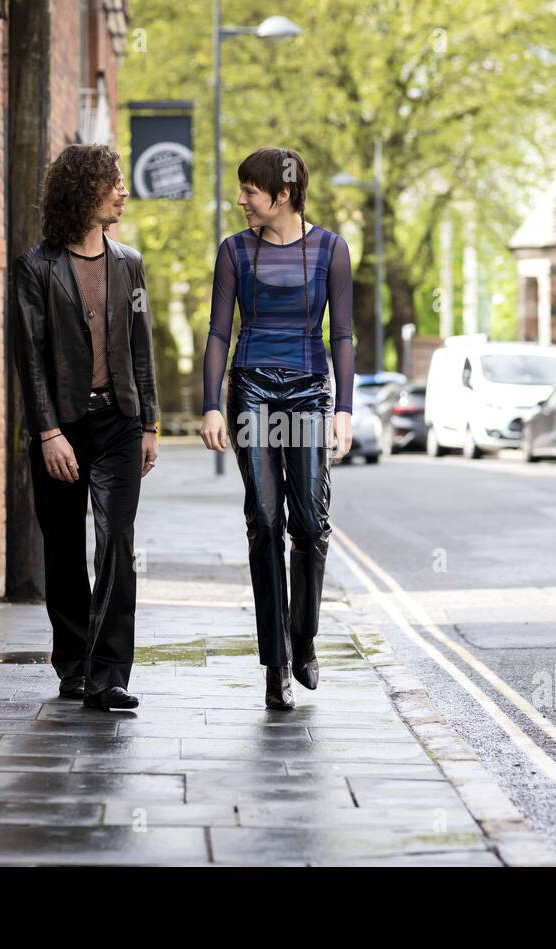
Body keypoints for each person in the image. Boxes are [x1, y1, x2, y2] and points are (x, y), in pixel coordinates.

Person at [199, 146, 355, 710]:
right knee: (264, 519)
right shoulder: (234, 252)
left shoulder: (332, 249)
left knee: (310, 523)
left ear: (282, 195)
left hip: (311, 393)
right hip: (252, 392)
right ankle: (276, 666)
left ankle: (304, 637)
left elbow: (342, 335)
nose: (240, 200)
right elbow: (220, 331)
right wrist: (211, 404)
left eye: (249, 191)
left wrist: (344, 410)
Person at [11, 143, 160, 711]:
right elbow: (30, 357)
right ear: (83, 191)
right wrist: (47, 433)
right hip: (64, 426)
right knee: (66, 549)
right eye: (113, 181)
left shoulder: (130, 263)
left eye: (123, 181)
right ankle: (73, 663)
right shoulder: (36, 267)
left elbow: (141, 350)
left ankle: (110, 674)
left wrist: (149, 421)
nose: (123, 190)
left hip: (119, 420)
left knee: (116, 541)